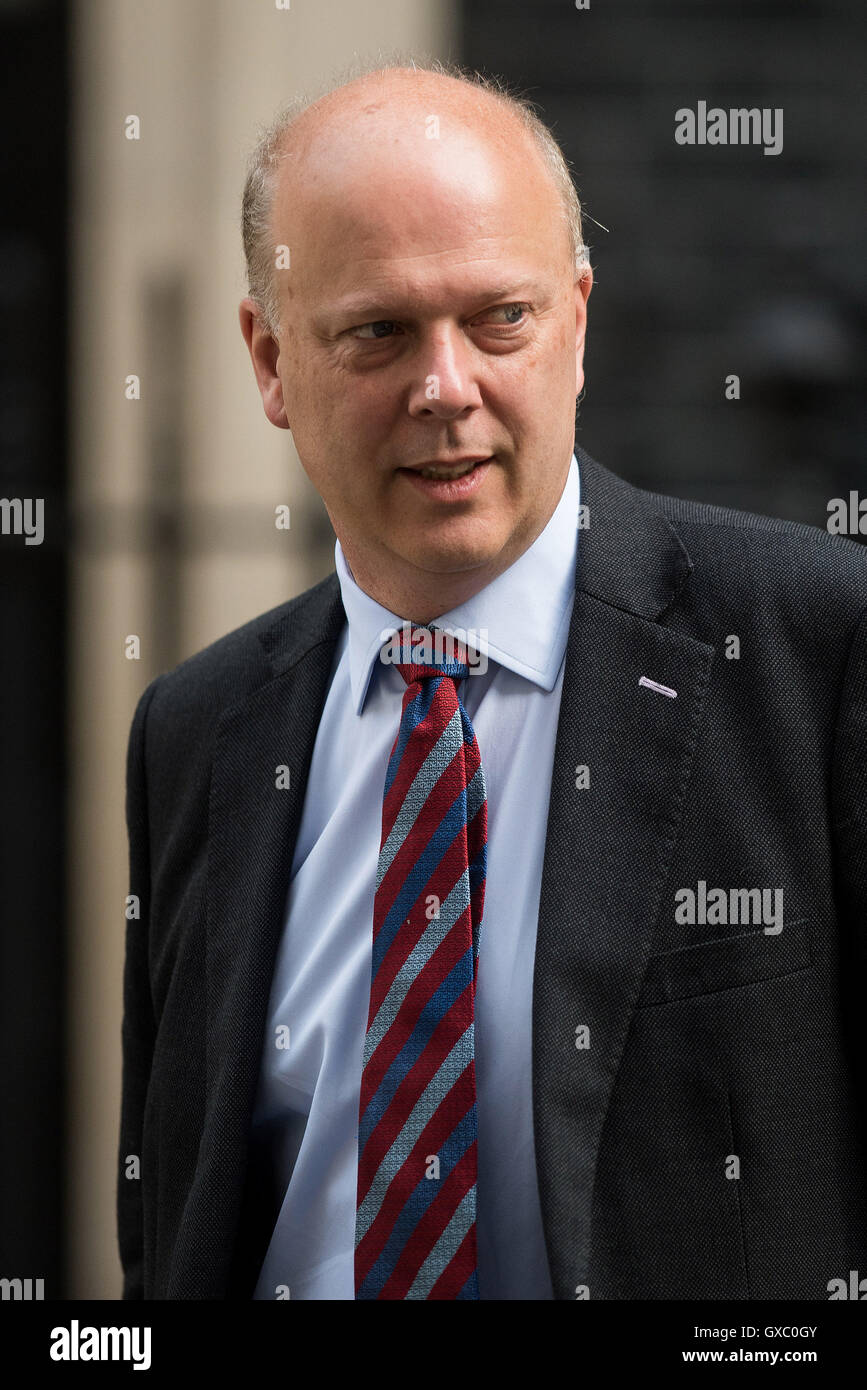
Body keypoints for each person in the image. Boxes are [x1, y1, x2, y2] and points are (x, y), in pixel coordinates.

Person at [118, 58, 867, 1301]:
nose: (446, 387)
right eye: (379, 331)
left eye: (499, 319)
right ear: (267, 359)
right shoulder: (197, 731)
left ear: (577, 320)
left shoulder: (813, 650)